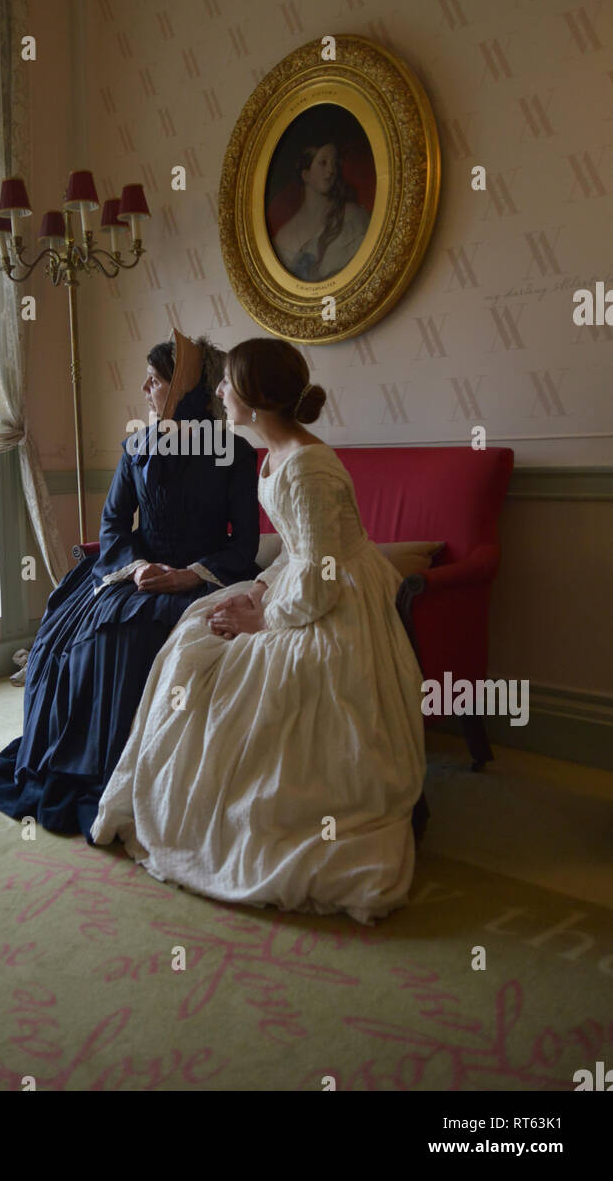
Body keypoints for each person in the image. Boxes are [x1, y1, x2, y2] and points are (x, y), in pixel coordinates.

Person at [91, 337, 427, 925]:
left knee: (230, 664)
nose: (219, 391)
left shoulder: (307, 467)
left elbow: (322, 576)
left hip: (337, 606)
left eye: (228, 384)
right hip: (306, 585)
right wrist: (258, 590)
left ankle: (239, 816)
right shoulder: (275, 456)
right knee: (198, 632)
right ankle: (176, 800)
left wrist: (263, 616)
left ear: (253, 394)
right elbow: (296, 554)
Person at [0, 329, 261, 838]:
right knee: (70, 637)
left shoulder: (236, 455)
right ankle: (78, 763)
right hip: (135, 570)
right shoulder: (137, 447)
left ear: (184, 390)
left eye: (154, 380)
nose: (144, 388)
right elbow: (113, 527)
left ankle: (138, 776)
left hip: (202, 578)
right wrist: (135, 569)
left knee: (133, 637)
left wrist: (188, 575)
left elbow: (244, 545)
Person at [272, 137, 370, 282]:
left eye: (334, 163)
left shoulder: (352, 217)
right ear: (306, 174)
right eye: (323, 163)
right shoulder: (284, 237)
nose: (331, 170)